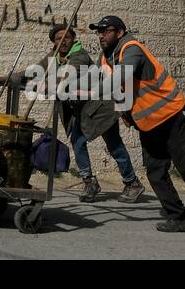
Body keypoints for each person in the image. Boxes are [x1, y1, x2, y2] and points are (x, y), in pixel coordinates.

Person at [91, 15, 185, 232]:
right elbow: (92, 79)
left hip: (171, 116)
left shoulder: (131, 48)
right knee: (155, 173)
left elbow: (121, 78)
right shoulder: (105, 59)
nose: (101, 35)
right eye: (99, 32)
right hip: (148, 124)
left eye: (106, 30)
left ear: (119, 32)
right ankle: (178, 218)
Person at [33, 23, 145, 203]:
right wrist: (7, 78)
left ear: (73, 39)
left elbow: (69, 76)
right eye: (58, 38)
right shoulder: (55, 57)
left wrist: (50, 84)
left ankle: (132, 182)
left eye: (67, 37)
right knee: (78, 142)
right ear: (54, 42)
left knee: (113, 145)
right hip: (84, 112)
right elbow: (36, 72)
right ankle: (89, 181)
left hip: (101, 108)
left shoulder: (79, 56)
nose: (63, 41)